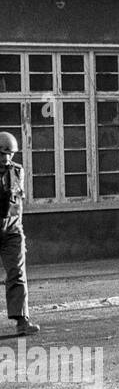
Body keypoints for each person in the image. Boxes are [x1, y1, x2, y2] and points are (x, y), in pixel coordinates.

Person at [0, 132, 39, 336]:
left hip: (12, 229)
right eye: (2, 155)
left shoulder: (17, 171)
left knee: (17, 273)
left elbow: (18, 203)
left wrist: (19, 232)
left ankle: (22, 320)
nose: (6, 159)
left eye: (10, 155)